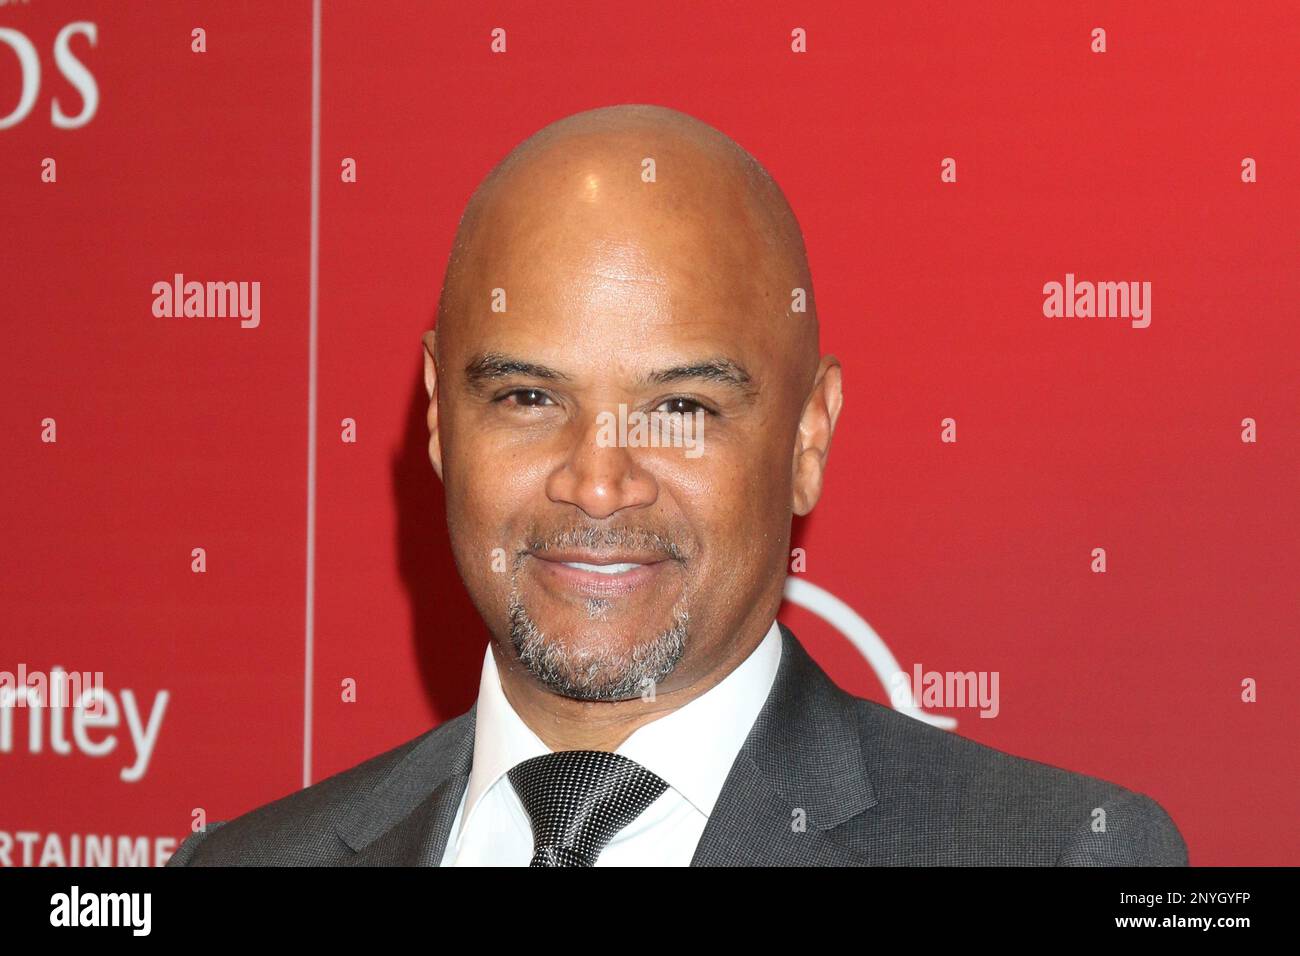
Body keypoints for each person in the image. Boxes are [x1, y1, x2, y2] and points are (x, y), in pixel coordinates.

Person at [167, 104, 1187, 867]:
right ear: (438, 413)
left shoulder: (1058, 856)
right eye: (527, 395)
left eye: (683, 409)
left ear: (805, 437)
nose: (598, 480)